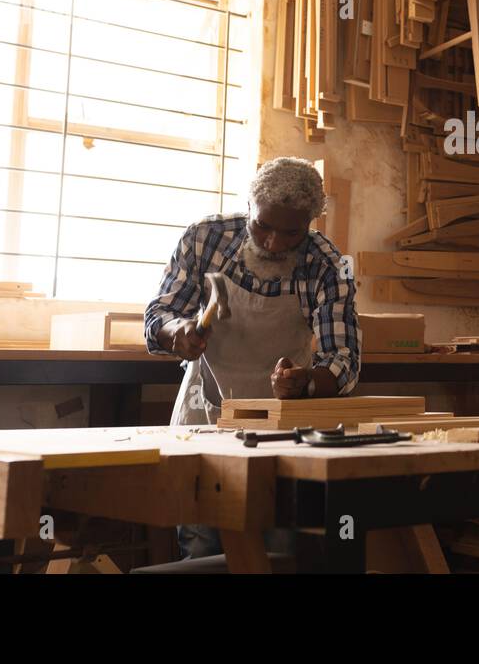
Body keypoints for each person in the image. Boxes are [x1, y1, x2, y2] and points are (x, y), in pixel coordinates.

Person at [144, 156, 360, 559]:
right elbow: (158, 316)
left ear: (311, 223)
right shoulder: (205, 239)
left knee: (277, 550)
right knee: (202, 549)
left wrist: (307, 381)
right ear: (249, 206)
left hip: (281, 427)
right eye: (263, 226)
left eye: (291, 233)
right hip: (204, 417)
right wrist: (178, 333)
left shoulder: (328, 266)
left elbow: (344, 360)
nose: (274, 243)